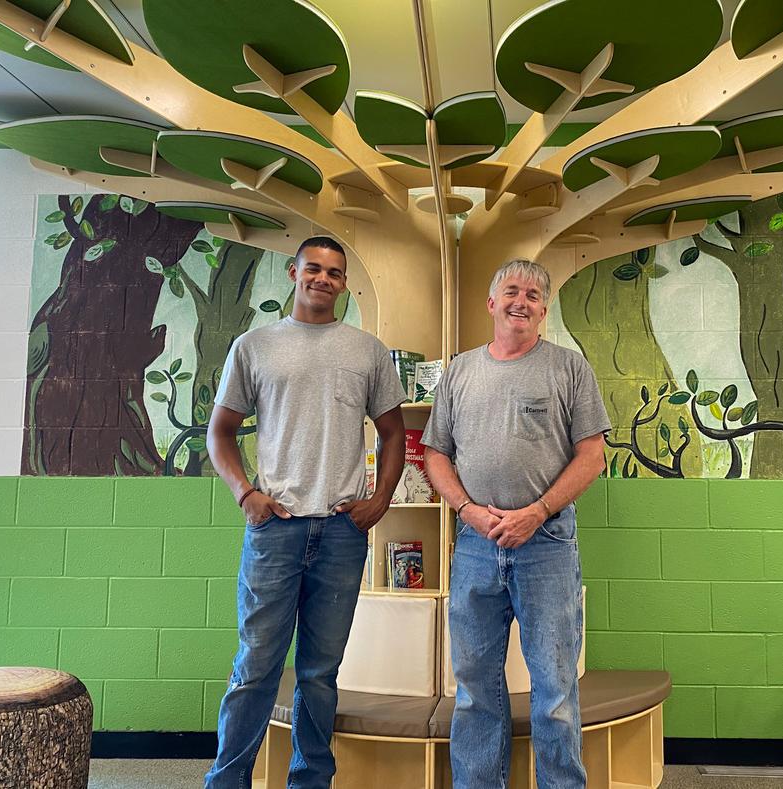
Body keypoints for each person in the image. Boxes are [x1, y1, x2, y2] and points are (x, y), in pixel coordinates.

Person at [204, 236, 406, 789]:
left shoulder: (367, 351)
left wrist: (381, 498)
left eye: (334, 273)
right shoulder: (255, 346)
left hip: (342, 533)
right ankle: (226, 780)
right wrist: (246, 493)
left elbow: (393, 434)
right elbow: (219, 433)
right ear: (293, 272)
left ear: (344, 283)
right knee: (256, 668)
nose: (323, 279)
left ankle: (311, 780)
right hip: (276, 530)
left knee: (320, 674)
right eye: (312, 268)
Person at [422, 259, 610, 789]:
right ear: (491, 302)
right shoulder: (460, 370)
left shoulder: (568, 368)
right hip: (476, 545)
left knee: (553, 692)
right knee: (476, 687)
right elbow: (436, 454)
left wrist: (537, 512)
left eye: (532, 295)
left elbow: (592, 456)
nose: (520, 301)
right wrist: (469, 510)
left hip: (546, 544)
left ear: (543, 311)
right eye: (511, 291)